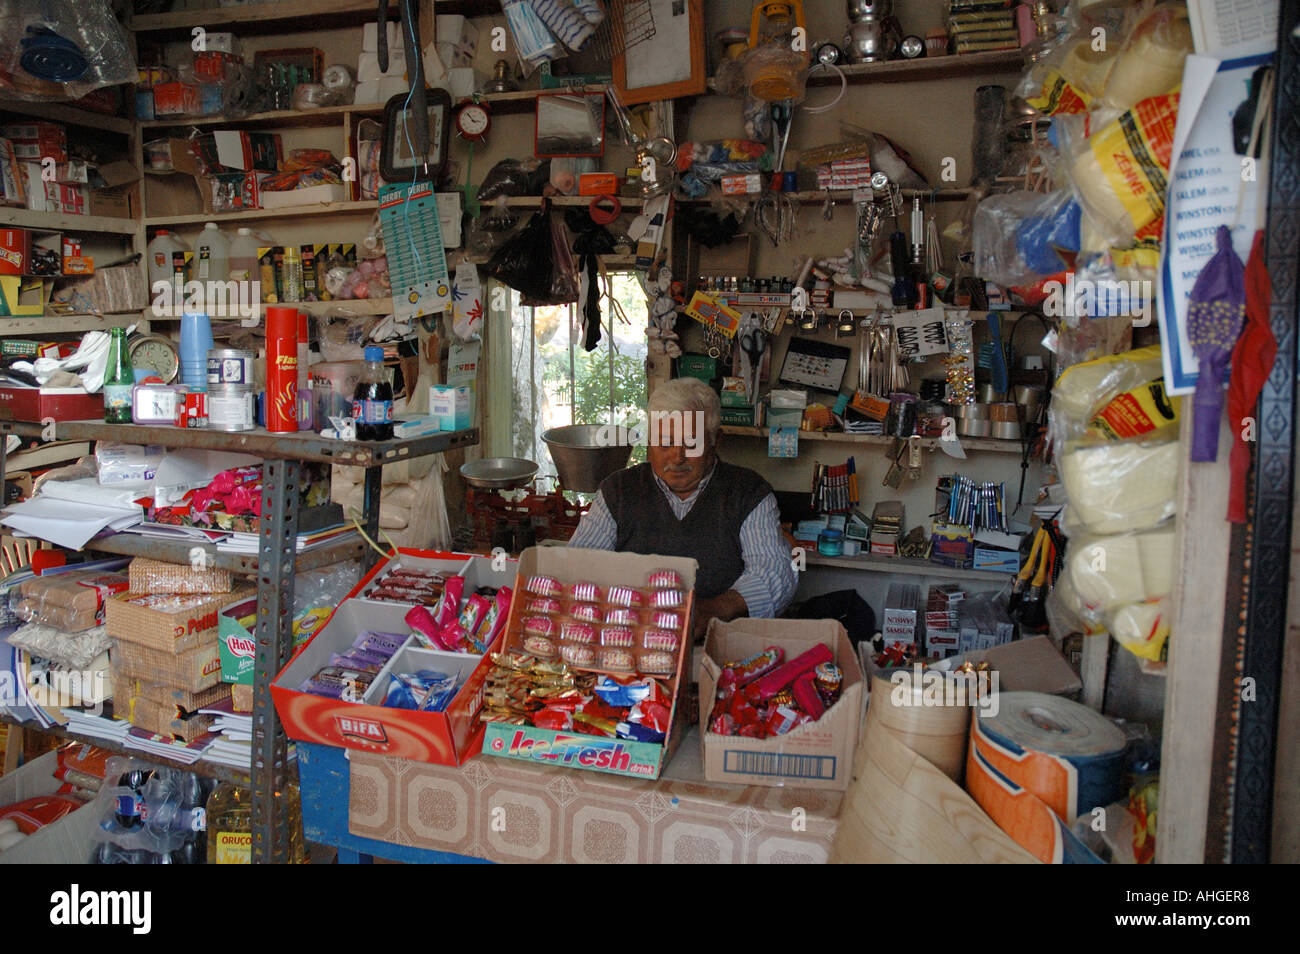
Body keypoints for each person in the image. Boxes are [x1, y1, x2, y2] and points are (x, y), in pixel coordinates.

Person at [568, 377, 796, 638]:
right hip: (629, 644)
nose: (677, 457)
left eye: (692, 444)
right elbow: (577, 564)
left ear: (715, 441)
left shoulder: (748, 493)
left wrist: (714, 609)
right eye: (665, 443)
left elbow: (775, 571)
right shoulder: (618, 491)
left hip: (719, 646)